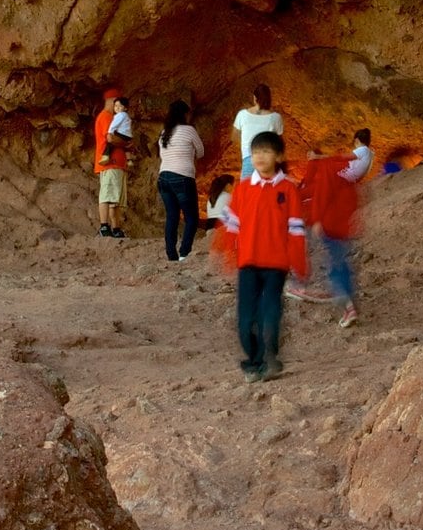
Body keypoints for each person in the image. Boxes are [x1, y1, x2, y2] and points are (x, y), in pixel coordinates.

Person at [220, 129, 307, 382]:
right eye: (256, 151)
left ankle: (267, 359)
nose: (259, 156)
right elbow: (231, 224)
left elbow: (296, 229)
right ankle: (256, 358)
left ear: (278, 156)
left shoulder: (289, 190)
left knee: (270, 313)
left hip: (276, 265)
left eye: (266, 151)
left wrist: (298, 263)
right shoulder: (243, 188)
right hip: (247, 263)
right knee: (246, 320)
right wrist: (225, 252)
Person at [319, 128, 371, 327]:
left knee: (336, 266)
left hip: (335, 225)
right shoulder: (352, 185)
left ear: (357, 140)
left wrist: (324, 158)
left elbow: (346, 157)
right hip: (341, 226)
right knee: (339, 263)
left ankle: (348, 307)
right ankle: (348, 304)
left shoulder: (363, 151)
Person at [156, 99, 205, 263]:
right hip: (182, 177)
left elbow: (162, 154)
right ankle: (184, 252)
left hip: (163, 178)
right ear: (185, 114)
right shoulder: (189, 130)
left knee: (172, 216)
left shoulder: (164, 133)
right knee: (191, 217)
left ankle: (171, 254)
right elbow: (201, 152)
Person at [92, 89, 132, 239]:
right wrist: (127, 144)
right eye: (117, 101)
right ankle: (104, 227)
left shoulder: (112, 117)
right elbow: (111, 138)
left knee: (114, 198)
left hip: (116, 163)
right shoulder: (106, 117)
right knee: (107, 195)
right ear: (112, 100)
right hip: (110, 163)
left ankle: (116, 228)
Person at [230, 84, 283, 185]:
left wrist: (245, 145)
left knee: (246, 195)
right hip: (268, 160)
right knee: (266, 196)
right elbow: (279, 142)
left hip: (249, 158)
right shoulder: (276, 118)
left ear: (255, 98)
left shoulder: (242, 114)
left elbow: (234, 136)